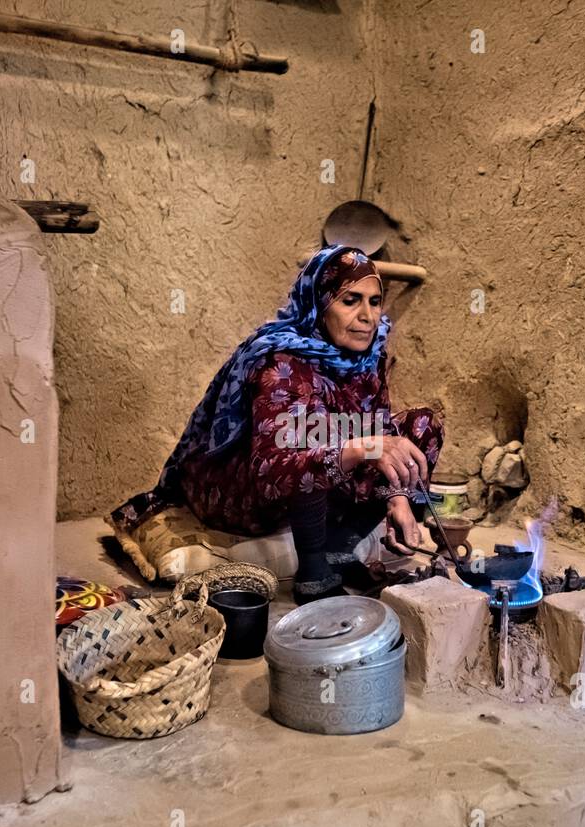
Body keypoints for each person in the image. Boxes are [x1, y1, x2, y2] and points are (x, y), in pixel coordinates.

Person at [111, 245, 444, 603]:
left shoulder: (369, 351)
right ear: (319, 303)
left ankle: (339, 549)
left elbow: (378, 426)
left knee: (421, 426)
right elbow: (275, 468)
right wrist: (365, 447)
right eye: (350, 301)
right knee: (315, 432)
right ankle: (313, 571)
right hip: (242, 485)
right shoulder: (281, 361)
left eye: (375, 301)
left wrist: (396, 496)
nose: (367, 316)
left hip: (321, 467)